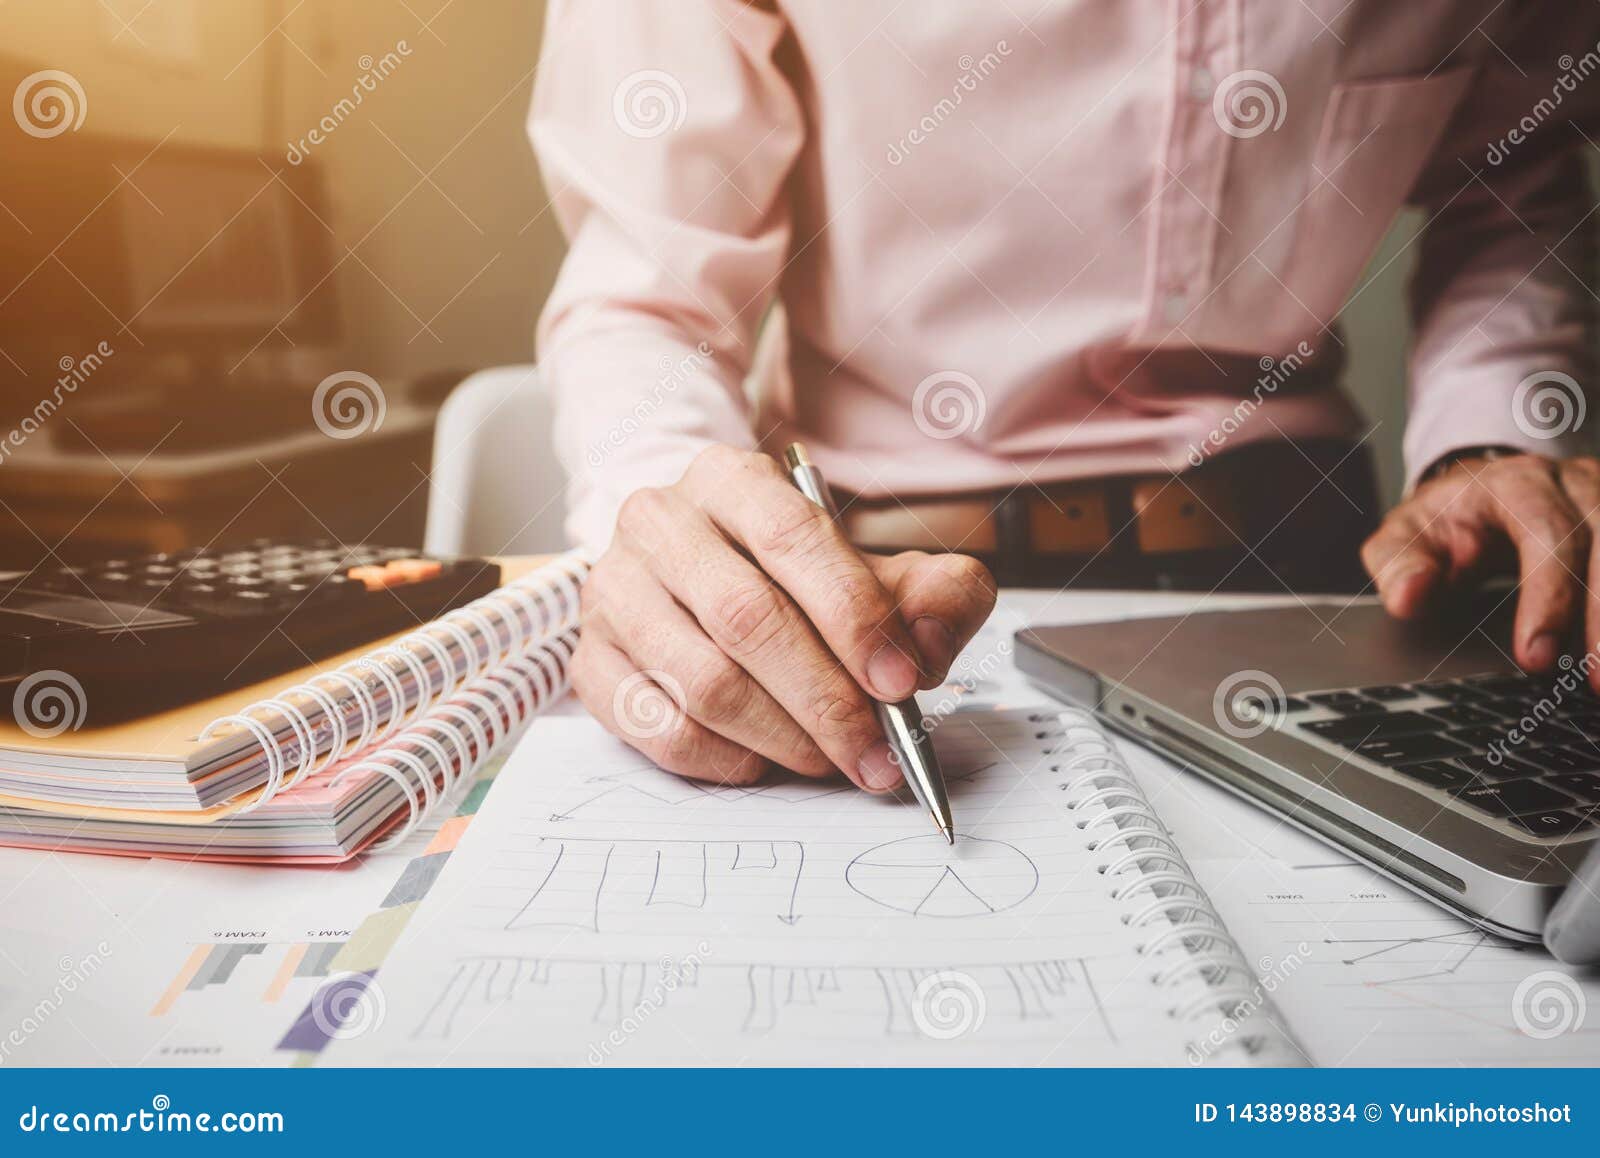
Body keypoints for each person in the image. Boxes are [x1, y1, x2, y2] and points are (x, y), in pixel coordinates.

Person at [528, 1, 1600, 793]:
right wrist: (694, 546)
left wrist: (1491, 437)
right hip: (873, 590)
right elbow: (649, 297)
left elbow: (1513, 194)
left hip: (1332, 585)